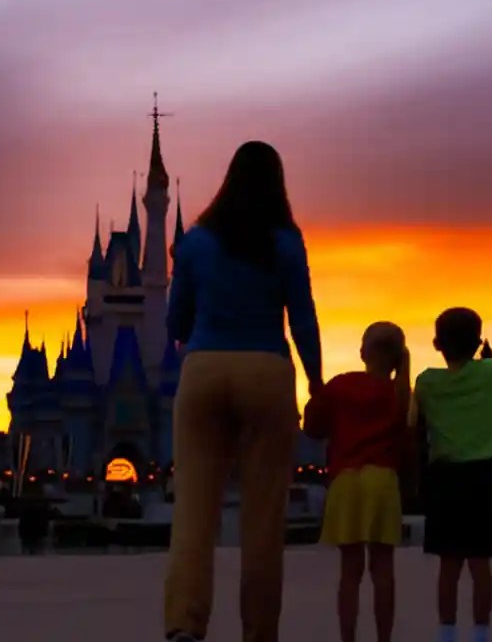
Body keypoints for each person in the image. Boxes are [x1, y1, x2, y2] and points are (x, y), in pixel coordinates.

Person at [163, 140, 323, 642]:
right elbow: (302, 319)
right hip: (266, 372)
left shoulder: (195, 243)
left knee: (193, 510)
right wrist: (316, 382)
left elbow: (176, 321)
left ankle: (185, 624)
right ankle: (258, 631)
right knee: (262, 518)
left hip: (204, 371)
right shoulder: (286, 243)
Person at [304, 322, 412, 642]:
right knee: (383, 572)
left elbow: (313, 427)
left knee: (350, 574)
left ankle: (348, 637)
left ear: (364, 351)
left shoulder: (341, 386)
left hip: (347, 482)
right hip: (382, 482)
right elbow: (409, 445)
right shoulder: (401, 394)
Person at [412, 308, 492, 642]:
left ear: (438, 343)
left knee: (448, 566)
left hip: (444, 479)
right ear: (478, 341)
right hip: (482, 477)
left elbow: (414, 426)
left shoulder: (427, 382)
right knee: (480, 565)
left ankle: (446, 634)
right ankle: (481, 634)